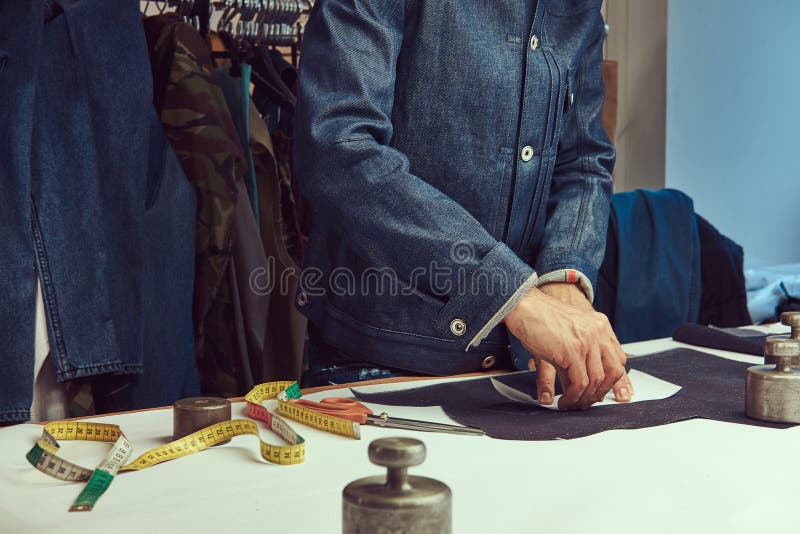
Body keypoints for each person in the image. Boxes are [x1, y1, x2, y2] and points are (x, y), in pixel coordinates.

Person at [293, 0, 633, 410]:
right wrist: (509, 292)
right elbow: (338, 151)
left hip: (525, 365)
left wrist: (564, 274)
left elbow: (583, 161)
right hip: (380, 360)